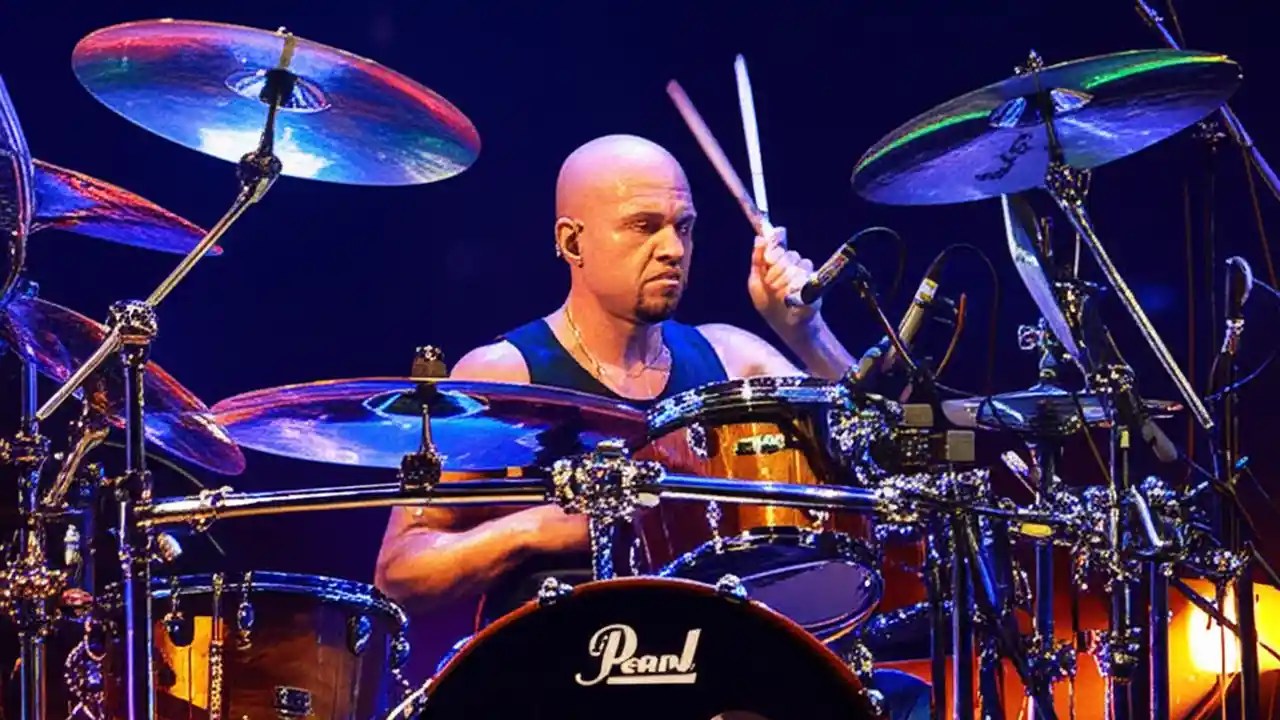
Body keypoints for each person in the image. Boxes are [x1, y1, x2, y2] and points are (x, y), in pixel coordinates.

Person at [374, 134, 929, 718]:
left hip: (714, 679)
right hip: (556, 682)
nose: (672, 248)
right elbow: (402, 569)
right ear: (572, 242)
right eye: (643, 226)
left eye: (683, 227)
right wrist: (538, 528)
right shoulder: (506, 374)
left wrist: (804, 332)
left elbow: (883, 441)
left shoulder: (731, 357)